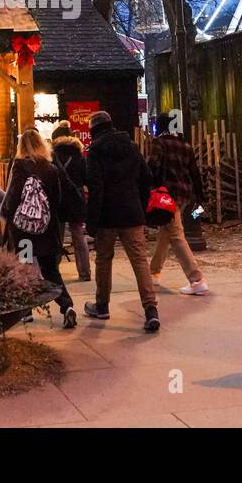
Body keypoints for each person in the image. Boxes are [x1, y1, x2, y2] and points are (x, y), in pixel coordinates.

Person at [82, 111, 160, 332]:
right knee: (140, 261)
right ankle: (151, 310)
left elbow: (96, 188)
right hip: (132, 213)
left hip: (107, 215)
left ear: (94, 130)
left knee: (104, 260)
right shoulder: (131, 146)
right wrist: (141, 205)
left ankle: (102, 305)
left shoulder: (95, 151)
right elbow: (146, 178)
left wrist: (92, 221)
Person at [1, 130, 77, 328]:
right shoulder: (50, 168)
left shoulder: (19, 166)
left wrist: (8, 215)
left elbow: (14, 195)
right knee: (51, 271)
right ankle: (67, 306)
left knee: (25, 268)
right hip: (45, 230)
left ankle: (26, 311)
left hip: (24, 231)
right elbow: (56, 199)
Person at [148, 114, 210, 295]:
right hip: (182, 195)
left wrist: (147, 188)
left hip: (164, 195)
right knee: (166, 232)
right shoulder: (185, 146)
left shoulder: (159, 144)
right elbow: (194, 173)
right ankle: (154, 272)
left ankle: (196, 279)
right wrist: (200, 196)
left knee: (175, 235)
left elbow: (152, 167)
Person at [50, 123, 91, 281]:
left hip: (58, 197)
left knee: (56, 237)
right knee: (79, 235)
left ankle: (54, 271)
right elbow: (85, 176)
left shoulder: (53, 155)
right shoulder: (78, 154)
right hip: (76, 196)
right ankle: (85, 272)